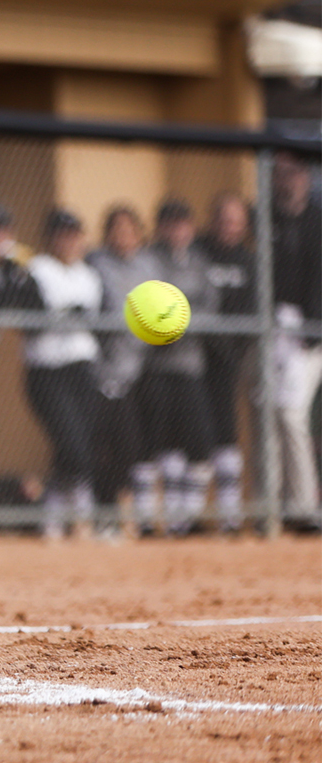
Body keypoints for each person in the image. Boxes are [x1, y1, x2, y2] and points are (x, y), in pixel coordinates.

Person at [13, 209, 106, 540]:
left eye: (75, 234)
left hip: (81, 367)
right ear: (50, 237)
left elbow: (101, 323)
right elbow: (27, 323)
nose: (69, 241)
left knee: (80, 444)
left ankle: (63, 515)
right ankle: (64, 512)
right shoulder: (37, 269)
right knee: (70, 442)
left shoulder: (89, 275)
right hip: (47, 370)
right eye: (62, 234)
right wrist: (64, 315)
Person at [137, 200, 216, 535]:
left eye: (183, 223)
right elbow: (147, 304)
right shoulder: (149, 260)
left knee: (199, 442)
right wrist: (169, 321)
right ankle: (169, 518)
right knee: (162, 443)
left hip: (190, 365)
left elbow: (210, 309)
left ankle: (188, 516)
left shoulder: (199, 261)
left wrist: (178, 321)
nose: (177, 230)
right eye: (170, 223)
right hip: (155, 365)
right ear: (160, 227)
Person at [87, 204, 159, 535]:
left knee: (135, 449)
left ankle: (135, 516)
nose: (123, 236)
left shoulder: (149, 265)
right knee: (103, 447)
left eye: (129, 229)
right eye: (116, 229)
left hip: (143, 369)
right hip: (102, 372)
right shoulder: (95, 263)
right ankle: (105, 514)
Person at [269, 152, 322, 528]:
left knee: (291, 415)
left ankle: (303, 507)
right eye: (282, 173)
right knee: (267, 416)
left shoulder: (318, 221)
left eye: (296, 173)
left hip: (309, 334)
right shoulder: (264, 217)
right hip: (269, 329)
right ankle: (269, 508)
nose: (289, 180)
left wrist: (312, 330)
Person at [196, 191, 253, 532]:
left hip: (229, 358)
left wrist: (234, 350)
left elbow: (252, 308)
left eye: (235, 221)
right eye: (223, 219)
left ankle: (229, 515)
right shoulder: (198, 253)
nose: (229, 227)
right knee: (196, 434)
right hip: (194, 356)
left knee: (226, 431)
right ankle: (189, 516)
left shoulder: (249, 261)